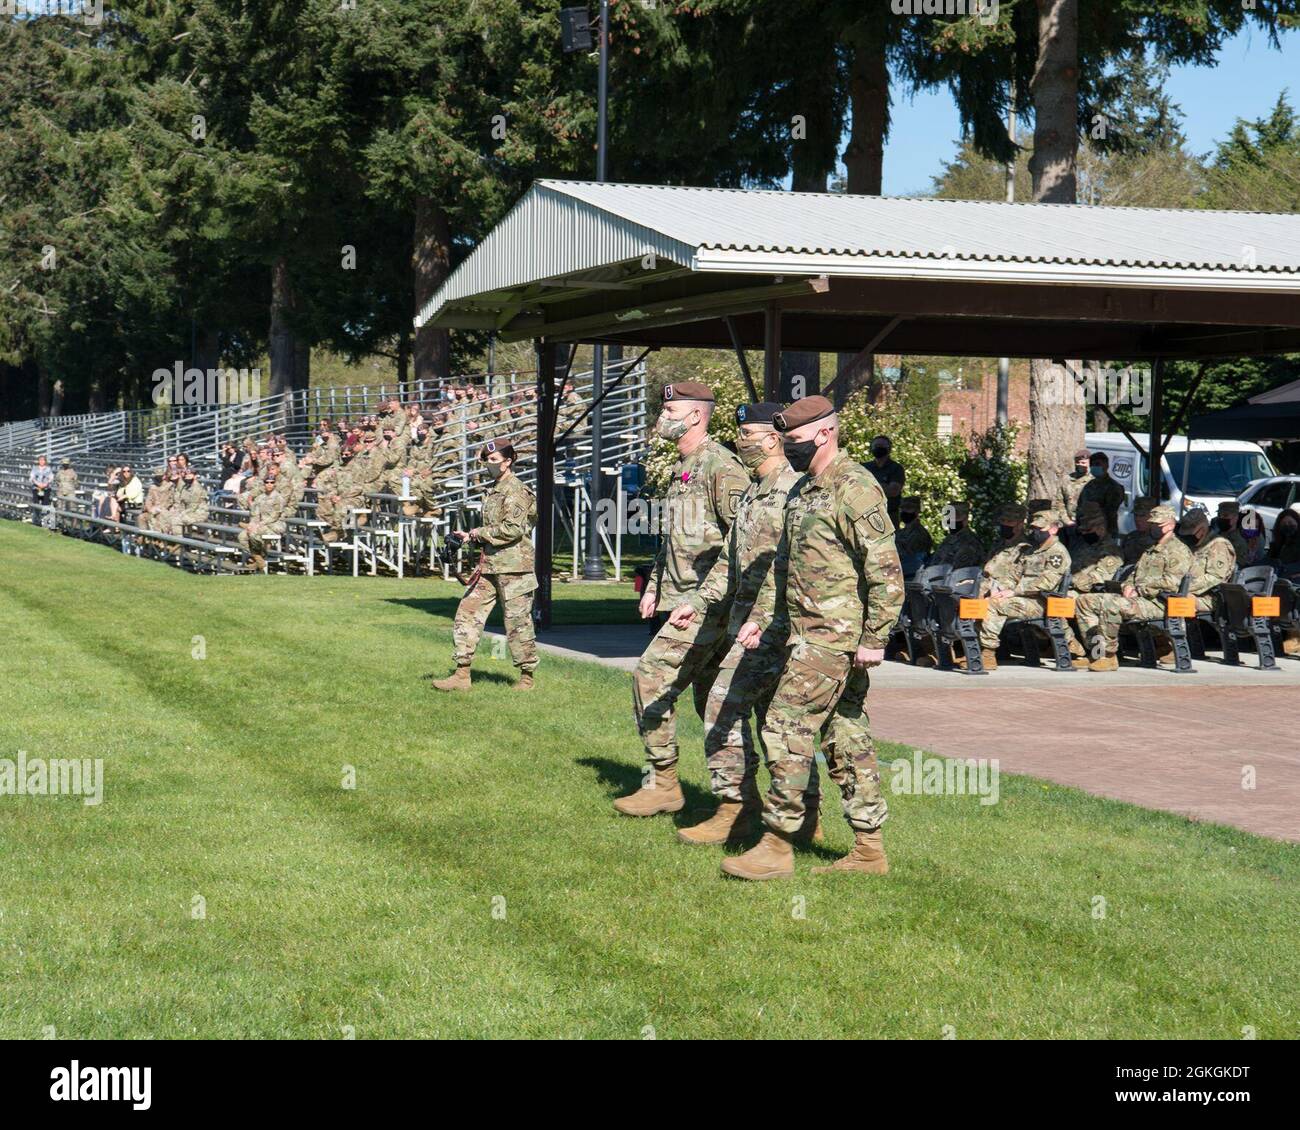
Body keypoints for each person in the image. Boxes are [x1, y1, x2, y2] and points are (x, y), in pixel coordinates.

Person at [722, 395, 904, 881]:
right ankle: (869, 848)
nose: (790, 448)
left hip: (835, 638)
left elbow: (886, 572)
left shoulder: (856, 487)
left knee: (783, 724)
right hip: (801, 633)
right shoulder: (803, 489)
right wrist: (762, 616)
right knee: (845, 735)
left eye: (797, 440)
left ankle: (778, 842)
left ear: (825, 434)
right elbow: (784, 566)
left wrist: (875, 637)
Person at [665, 402, 819, 845]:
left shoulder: (794, 491)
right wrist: (697, 599)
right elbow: (729, 561)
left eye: (749, 434)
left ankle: (737, 806)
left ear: (773, 439)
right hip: (745, 624)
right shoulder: (755, 490)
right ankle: (794, 813)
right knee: (773, 721)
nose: (741, 442)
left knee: (724, 705)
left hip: (778, 626)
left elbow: (794, 568)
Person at [613, 382, 748, 818]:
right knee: (717, 704)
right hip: (680, 599)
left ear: (694, 416)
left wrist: (707, 598)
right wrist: (654, 585)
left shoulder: (721, 467)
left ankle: (664, 783)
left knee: (650, 678)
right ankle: (742, 806)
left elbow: (742, 544)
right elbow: (673, 538)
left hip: (710, 605)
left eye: (669, 408)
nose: (660, 415)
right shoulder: (682, 467)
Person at [433, 442, 539, 691]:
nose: (488, 464)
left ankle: (526, 677)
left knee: (517, 623)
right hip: (490, 566)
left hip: (514, 568)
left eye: (492, 458)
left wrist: (476, 534)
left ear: (508, 461)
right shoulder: (495, 490)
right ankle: (461, 674)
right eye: (485, 459)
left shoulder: (516, 490)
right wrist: (469, 536)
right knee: (466, 614)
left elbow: (512, 529)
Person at [1074, 504, 1193, 672]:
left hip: (1159, 603)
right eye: (1152, 524)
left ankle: (1109, 656)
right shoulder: (1151, 550)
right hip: (1139, 600)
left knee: (1112, 605)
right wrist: (1127, 585)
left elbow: (1171, 583)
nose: (1153, 528)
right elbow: (1134, 574)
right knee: (1084, 601)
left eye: (1158, 525)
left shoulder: (1178, 551)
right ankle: (1096, 652)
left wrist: (1140, 589)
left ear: (1171, 525)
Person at [970, 510, 1072, 671]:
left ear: (1054, 529)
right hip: (1022, 598)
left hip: (1040, 601)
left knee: (993, 605)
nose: (1036, 532)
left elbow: (1046, 582)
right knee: (982, 601)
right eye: (1034, 528)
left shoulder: (1057, 553)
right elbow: (1015, 574)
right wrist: (1000, 589)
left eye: (1041, 529)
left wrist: (1015, 591)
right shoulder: (1031, 550)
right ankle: (977, 649)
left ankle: (988, 653)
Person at [1065, 504, 1124, 666]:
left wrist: (1071, 582)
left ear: (1100, 528)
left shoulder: (1111, 550)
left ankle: (1091, 652)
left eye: (1087, 531)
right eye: (1082, 531)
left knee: (1060, 604)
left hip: (1094, 593)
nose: (1084, 534)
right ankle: (1072, 647)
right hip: (1074, 589)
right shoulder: (1083, 547)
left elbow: (1099, 577)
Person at [238, 475, 287, 571]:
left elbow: (274, 516)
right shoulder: (260, 498)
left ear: (275, 484)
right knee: (242, 537)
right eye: (267, 482)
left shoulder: (278, 498)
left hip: (274, 525)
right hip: (261, 525)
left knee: (253, 534)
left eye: (272, 482)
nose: (269, 484)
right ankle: (259, 559)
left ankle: (261, 555)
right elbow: (255, 514)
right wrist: (252, 524)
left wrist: (258, 525)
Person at [980, 503, 1028, 594]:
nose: (1005, 524)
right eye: (1003, 520)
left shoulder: (1025, 549)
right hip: (985, 587)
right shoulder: (998, 544)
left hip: (1003, 593)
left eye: (1010, 521)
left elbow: (1019, 580)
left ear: (1020, 524)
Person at [1076, 452, 1126, 536]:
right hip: (1085, 530)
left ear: (1106, 465)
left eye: (1098, 464)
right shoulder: (1089, 485)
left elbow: (1109, 511)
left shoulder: (1114, 487)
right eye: (1092, 464)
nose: (1094, 467)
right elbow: (1080, 505)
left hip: (1105, 532)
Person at [865, 434, 905, 528]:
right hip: (867, 515)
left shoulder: (896, 468)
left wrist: (868, 485)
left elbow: (893, 491)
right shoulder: (864, 467)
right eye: (876, 447)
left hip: (889, 516)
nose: (879, 449)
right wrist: (883, 486)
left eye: (882, 447)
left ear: (889, 449)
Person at [930, 501, 985, 568]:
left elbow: (959, 572)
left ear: (966, 518)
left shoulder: (970, 542)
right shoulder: (949, 539)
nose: (951, 520)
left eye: (955, 516)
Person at [894, 495, 932, 577]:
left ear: (917, 511)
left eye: (908, 508)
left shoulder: (920, 534)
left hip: (911, 576)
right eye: (902, 508)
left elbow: (912, 558)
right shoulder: (901, 532)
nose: (904, 511)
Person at [1058, 448, 1092, 526]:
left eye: (1083, 463)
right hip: (1067, 524)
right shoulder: (1066, 479)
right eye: (1077, 462)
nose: (1080, 465)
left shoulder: (1095, 481)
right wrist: (1066, 520)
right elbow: (1059, 502)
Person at [1213, 501, 1250, 566]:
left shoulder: (1239, 543)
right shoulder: (1215, 534)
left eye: (1225, 515)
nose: (1221, 518)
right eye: (1219, 515)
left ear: (1235, 518)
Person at [1121, 497, 1157, 564]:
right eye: (1136, 515)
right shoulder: (1130, 538)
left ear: (1153, 516)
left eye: (1142, 515)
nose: (1137, 519)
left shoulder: (1160, 540)